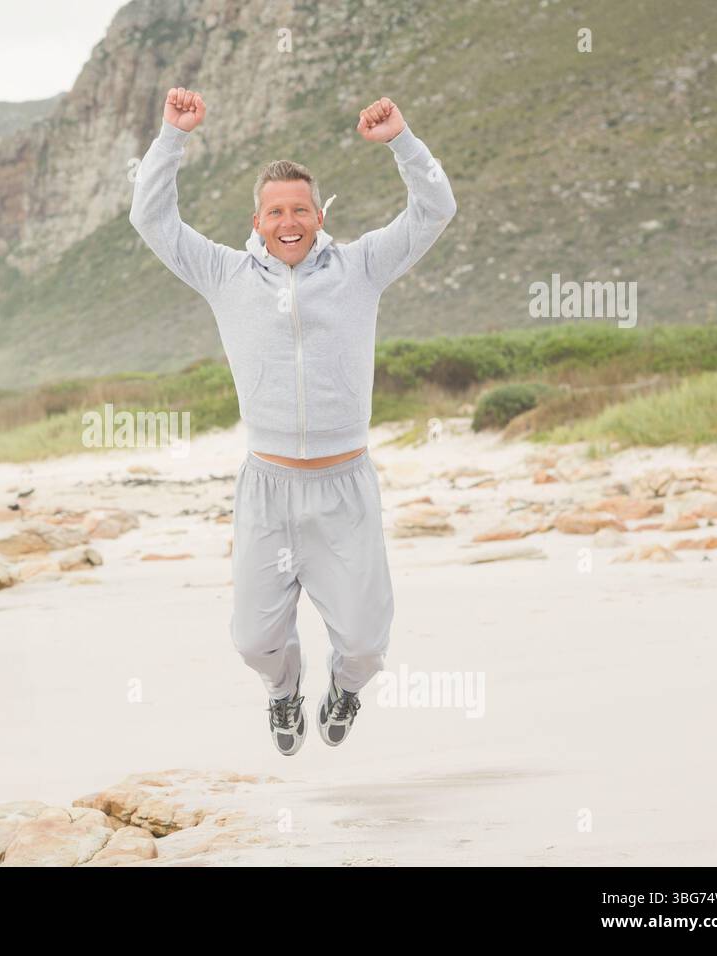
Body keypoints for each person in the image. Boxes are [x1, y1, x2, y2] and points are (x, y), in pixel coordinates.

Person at [129, 87, 457, 755]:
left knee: (366, 644)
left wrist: (401, 138)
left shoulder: (362, 266)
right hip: (268, 488)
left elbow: (435, 210)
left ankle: (344, 688)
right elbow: (152, 220)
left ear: (318, 214)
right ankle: (284, 692)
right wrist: (172, 137)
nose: (289, 221)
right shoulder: (224, 274)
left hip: (345, 488)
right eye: (276, 210)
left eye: (300, 209)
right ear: (258, 217)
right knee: (253, 639)